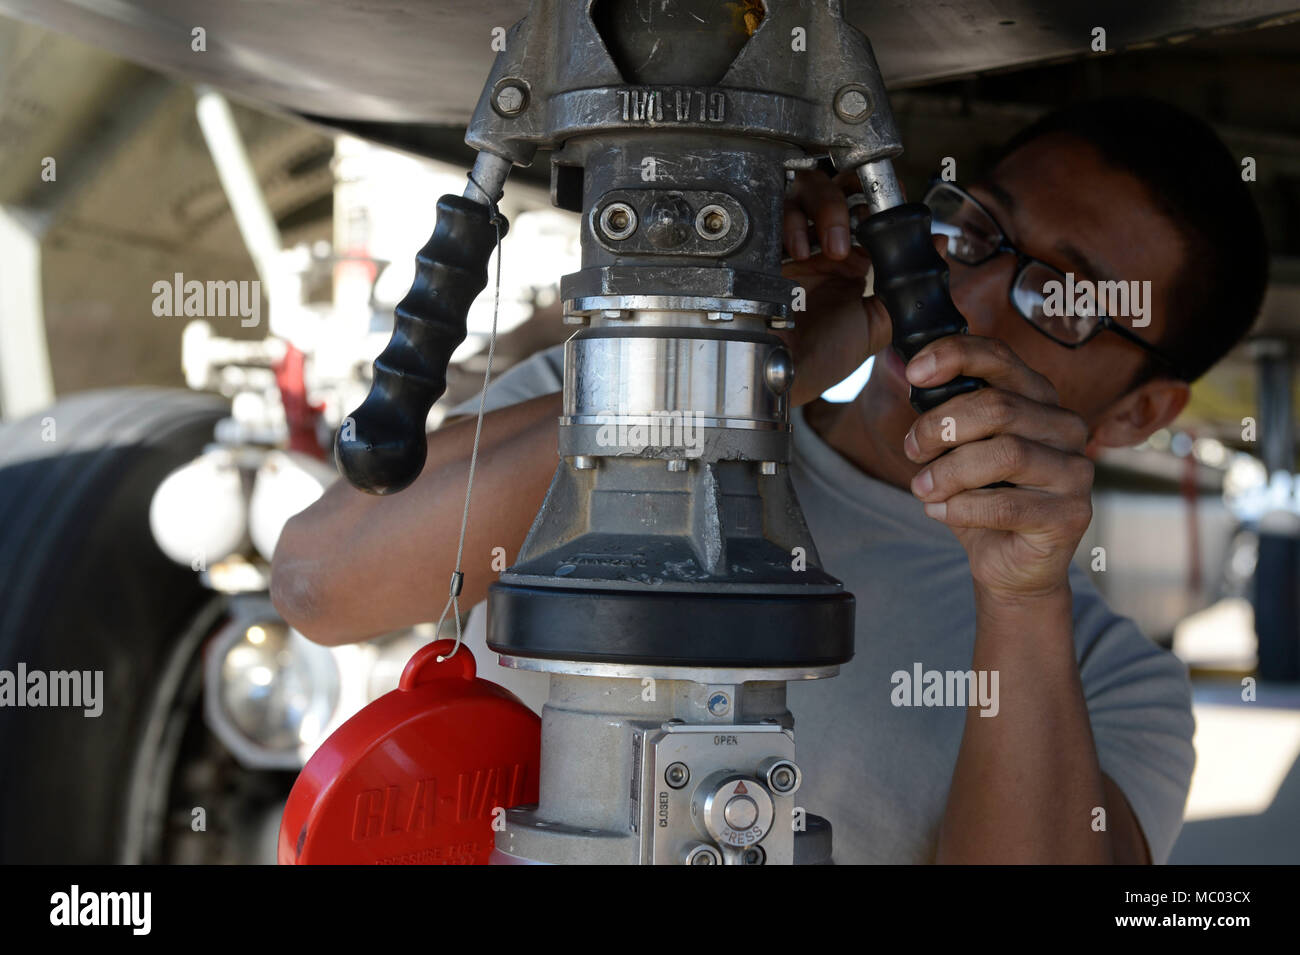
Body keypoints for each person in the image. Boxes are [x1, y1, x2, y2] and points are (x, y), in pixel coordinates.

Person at [271, 97, 1268, 863]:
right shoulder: (629, 396)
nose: (964, 295)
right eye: (973, 233)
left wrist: (1020, 597)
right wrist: (742, 371)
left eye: (1062, 296)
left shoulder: (1106, 679)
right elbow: (320, 584)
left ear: (1140, 413)